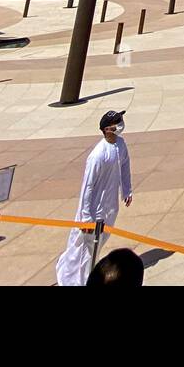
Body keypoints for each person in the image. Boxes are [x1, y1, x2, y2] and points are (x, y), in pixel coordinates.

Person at [55, 110, 133, 287]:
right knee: (82, 246)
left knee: (97, 244)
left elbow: (125, 166)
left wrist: (127, 190)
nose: (121, 123)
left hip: (109, 205)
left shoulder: (121, 144)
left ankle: (87, 275)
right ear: (107, 128)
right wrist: (86, 216)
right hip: (93, 209)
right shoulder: (97, 155)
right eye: (117, 121)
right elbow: (87, 187)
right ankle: (72, 278)